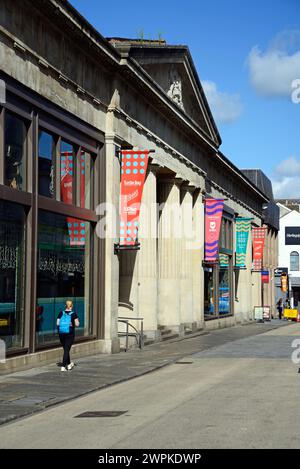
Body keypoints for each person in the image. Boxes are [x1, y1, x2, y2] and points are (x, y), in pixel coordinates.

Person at [57, 300, 79, 372]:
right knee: (66, 350)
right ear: (71, 306)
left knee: (66, 349)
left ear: (65, 306)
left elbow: (57, 323)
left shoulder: (61, 313)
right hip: (70, 334)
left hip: (61, 333)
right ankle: (63, 366)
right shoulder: (73, 314)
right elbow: (77, 324)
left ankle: (69, 364)